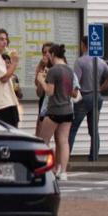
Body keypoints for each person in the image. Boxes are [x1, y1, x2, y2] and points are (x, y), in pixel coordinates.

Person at [69, 36, 108, 162]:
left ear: (84, 45)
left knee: (72, 127)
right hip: (97, 97)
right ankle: (94, 157)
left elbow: (76, 81)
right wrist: (100, 88)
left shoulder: (80, 61)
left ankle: (65, 156)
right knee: (94, 129)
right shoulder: (100, 61)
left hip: (84, 97)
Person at [36, 44, 75, 181]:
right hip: (68, 110)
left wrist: (41, 80)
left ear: (53, 55)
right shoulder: (70, 70)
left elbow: (49, 91)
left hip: (54, 110)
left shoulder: (54, 71)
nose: (48, 58)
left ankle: (45, 169)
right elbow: (71, 92)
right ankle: (63, 172)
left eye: (49, 55)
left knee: (44, 140)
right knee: (64, 141)